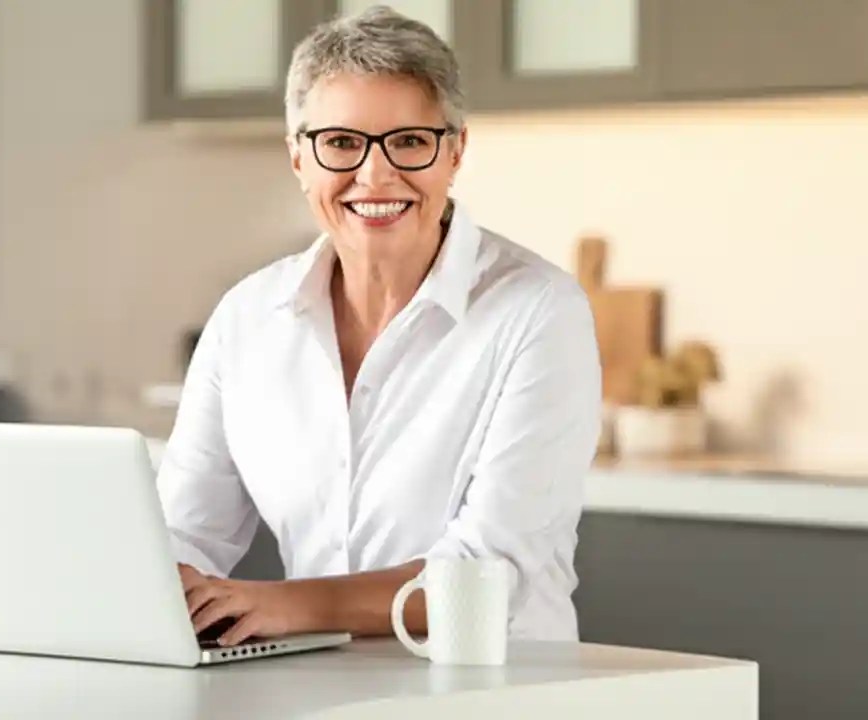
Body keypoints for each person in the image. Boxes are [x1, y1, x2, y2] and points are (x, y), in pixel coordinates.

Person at [158, 6, 601, 647]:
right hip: (320, 694)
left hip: (499, 697)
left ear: (454, 151)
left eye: (409, 141)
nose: (374, 174)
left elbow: (491, 572)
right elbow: (182, 534)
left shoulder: (539, 311)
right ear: (298, 159)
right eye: (340, 143)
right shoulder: (246, 320)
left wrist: (287, 606)